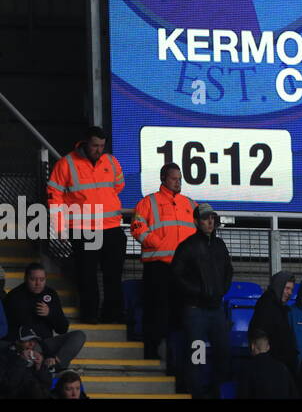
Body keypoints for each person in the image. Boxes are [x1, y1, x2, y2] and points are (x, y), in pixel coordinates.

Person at [48, 127, 125, 324]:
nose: (98, 149)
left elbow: (118, 186)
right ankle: (90, 314)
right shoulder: (67, 163)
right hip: (83, 228)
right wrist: (60, 226)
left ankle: (112, 314)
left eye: (102, 145)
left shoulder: (111, 161)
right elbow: (54, 196)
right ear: (84, 143)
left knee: (113, 275)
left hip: (111, 227)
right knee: (87, 275)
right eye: (94, 145)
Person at [129, 162, 196, 359]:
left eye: (180, 179)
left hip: (184, 268)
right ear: (163, 179)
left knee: (180, 312)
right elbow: (137, 227)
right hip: (157, 266)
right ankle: (151, 353)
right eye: (174, 178)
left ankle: (175, 356)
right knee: (155, 311)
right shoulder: (148, 202)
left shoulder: (190, 204)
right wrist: (156, 243)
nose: (178, 182)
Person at [168, 203, 233, 398]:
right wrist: (199, 292)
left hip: (215, 310)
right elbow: (176, 277)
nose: (210, 221)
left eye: (212, 218)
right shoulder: (187, 246)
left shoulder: (220, 245)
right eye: (205, 218)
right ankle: (196, 393)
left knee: (223, 353)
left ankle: (215, 392)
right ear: (196, 222)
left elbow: (228, 270)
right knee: (198, 356)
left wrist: (221, 290)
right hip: (195, 311)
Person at [4, 262, 85, 369]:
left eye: (42, 280)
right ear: (26, 278)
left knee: (79, 336)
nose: (38, 283)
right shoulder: (14, 296)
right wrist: (22, 344)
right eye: (33, 279)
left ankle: (54, 365)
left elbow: (62, 328)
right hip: (22, 345)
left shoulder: (51, 294)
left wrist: (50, 314)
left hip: (45, 344)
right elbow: (5, 328)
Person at [249, 271, 298, 378]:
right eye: (287, 288)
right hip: (273, 367)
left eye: (291, 289)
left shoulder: (277, 306)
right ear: (279, 286)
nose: (290, 292)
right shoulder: (268, 306)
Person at [236, 331, 298, 399]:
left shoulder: (247, 368)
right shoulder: (282, 367)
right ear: (268, 347)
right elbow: (294, 394)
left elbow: (242, 395)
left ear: (252, 346)